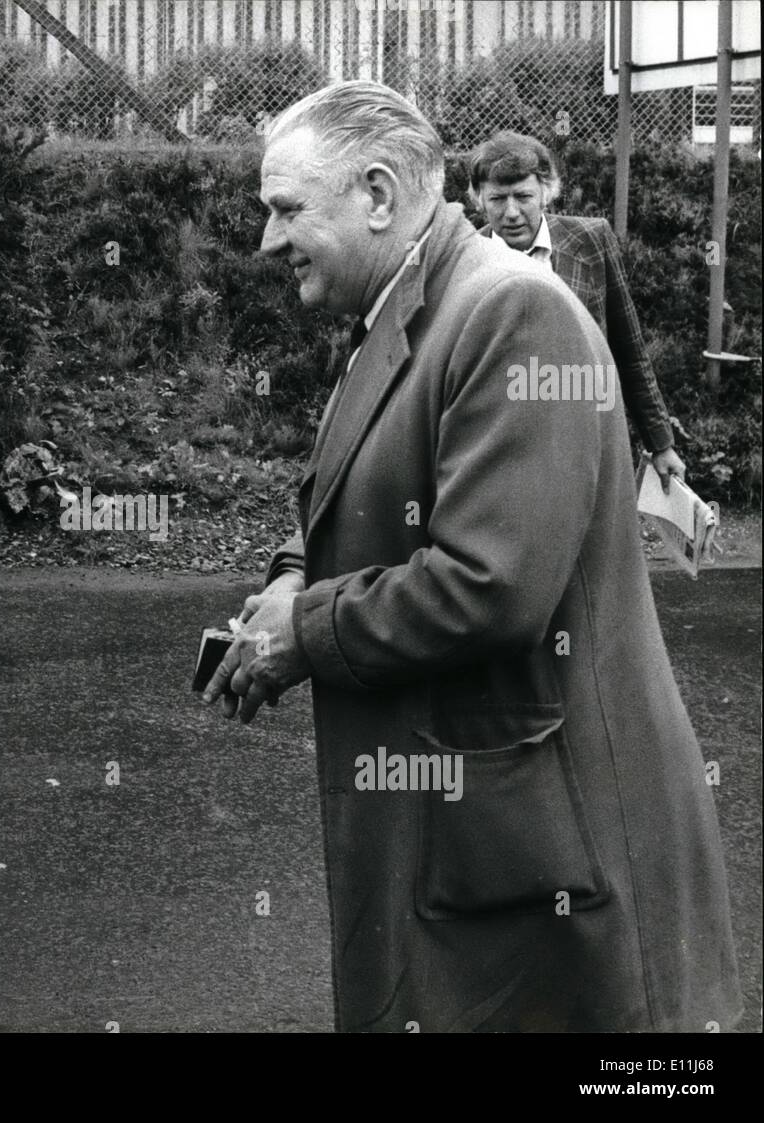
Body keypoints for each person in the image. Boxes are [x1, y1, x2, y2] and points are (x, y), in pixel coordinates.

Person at [203, 81, 740, 1032]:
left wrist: (309, 632)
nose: (268, 242)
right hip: (479, 838)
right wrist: (293, 577)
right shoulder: (407, 302)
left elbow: (492, 586)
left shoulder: (511, 314)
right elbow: (349, 485)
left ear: (376, 196)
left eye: (286, 210)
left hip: (539, 854)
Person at [469, 130, 686, 490]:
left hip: (583, 442)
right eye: (497, 199)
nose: (511, 212)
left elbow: (628, 348)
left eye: (523, 196)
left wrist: (660, 444)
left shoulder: (591, 240)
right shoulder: (465, 261)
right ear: (479, 199)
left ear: (546, 193)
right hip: (500, 455)